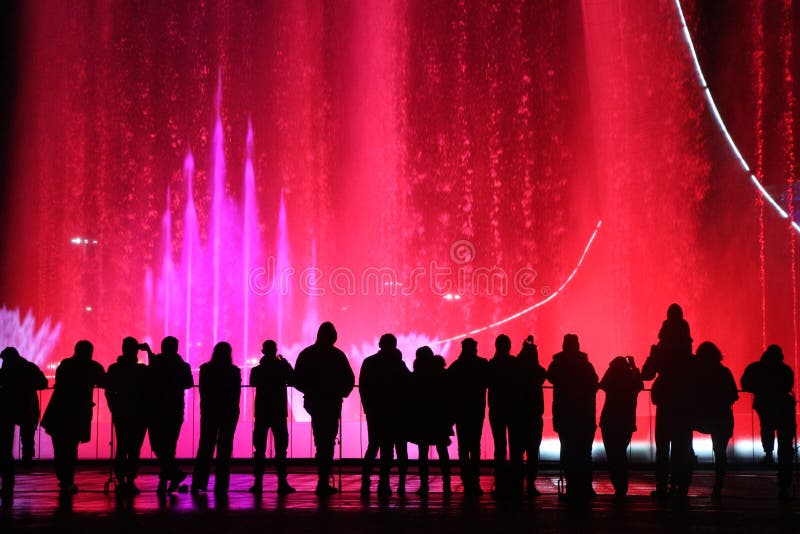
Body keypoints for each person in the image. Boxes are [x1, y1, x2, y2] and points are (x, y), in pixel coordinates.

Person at [293, 322, 355, 496]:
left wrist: (310, 391)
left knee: (321, 439)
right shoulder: (337, 355)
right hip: (332, 402)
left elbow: (297, 379)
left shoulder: (307, 354)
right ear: (333, 337)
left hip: (314, 402)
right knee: (328, 440)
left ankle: (322, 476)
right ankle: (323, 479)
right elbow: (349, 379)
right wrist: (342, 392)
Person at [641, 303, 695, 499]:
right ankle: (681, 486)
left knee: (663, 446)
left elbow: (646, 374)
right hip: (684, 404)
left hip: (665, 403)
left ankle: (663, 485)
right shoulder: (687, 352)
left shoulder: (661, 350)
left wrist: (652, 355)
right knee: (682, 446)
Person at [41, 340, 106, 497]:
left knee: (60, 448)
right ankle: (67, 480)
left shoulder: (65, 364)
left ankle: (64, 479)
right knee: (70, 448)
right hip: (78, 415)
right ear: (90, 352)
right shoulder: (93, 367)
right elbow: (105, 382)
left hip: (58, 413)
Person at [741, 344, 796, 500]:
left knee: (766, 427)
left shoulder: (756, 368)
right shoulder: (785, 369)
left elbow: (745, 383)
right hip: (784, 408)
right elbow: (788, 384)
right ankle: (784, 480)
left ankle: (769, 454)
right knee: (785, 442)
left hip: (765, 405)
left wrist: (760, 389)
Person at [547, 334, 598, 501]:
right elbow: (594, 384)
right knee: (584, 453)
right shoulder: (586, 365)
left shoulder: (558, 365)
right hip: (584, 416)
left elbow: (549, 376)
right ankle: (585, 486)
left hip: (565, 416)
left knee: (568, 450)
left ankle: (571, 486)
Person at [359, 334, 411, 497]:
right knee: (393, 449)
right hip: (396, 412)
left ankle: (366, 482)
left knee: (374, 446)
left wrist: (368, 408)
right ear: (394, 345)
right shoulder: (398, 363)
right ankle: (385, 483)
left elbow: (363, 388)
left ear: (380, 344)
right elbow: (408, 383)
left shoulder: (369, 362)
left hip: (376, 411)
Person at [191, 342, 241, 494]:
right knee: (225, 448)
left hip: (210, 412)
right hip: (228, 413)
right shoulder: (233, 371)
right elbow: (235, 394)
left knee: (205, 446)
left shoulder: (206, 369)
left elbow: (204, 392)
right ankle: (221, 485)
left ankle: (199, 482)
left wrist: (205, 408)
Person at [146, 336, 194, 495]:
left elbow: (150, 378)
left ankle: (167, 479)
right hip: (174, 410)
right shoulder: (182, 365)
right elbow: (188, 384)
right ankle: (174, 475)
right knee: (168, 446)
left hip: (156, 410)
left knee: (160, 446)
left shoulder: (157, 363)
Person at [0, 347, 48, 499]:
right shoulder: (29, 367)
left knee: (5, 445)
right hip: (26, 408)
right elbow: (43, 383)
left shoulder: (6, 369)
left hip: (6, 410)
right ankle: (27, 456)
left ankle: (8, 482)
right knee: (27, 434)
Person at [105, 337, 150, 495]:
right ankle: (130, 480)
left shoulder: (114, 369)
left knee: (122, 446)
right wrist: (149, 352)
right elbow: (154, 372)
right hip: (139, 414)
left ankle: (121, 479)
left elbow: (108, 391)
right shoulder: (141, 370)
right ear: (136, 350)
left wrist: (114, 408)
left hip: (122, 413)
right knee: (134, 448)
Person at [249, 339, 295, 495]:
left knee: (259, 449)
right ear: (275, 351)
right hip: (278, 412)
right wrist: (285, 362)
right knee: (281, 449)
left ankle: (258, 483)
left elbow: (252, 382)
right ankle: (282, 483)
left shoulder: (257, 370)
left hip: (262, 412)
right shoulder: (281, 367)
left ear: (263, 352)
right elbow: (293, 378)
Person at [692, 342, 738, 499]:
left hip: (702, 415)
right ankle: (718, 484)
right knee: (719, 452)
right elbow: (734, 395)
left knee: (684, 431)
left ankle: (685, 468)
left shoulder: (697, 373)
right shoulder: (724, 372)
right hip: (722, 416)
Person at [447, 337, 489, 495]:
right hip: (477, 411)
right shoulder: (482, 364)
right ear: (475, 349)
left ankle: (466, 481)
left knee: (463, 447)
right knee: (475, 447)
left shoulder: (457, 366)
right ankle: (475, 481)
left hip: (461, 412)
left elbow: (447, 382)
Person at [408, 347, 453, 496]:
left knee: (423, 452)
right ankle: (447, 485)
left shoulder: (417, 375)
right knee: (442, 450)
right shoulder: (442, 373)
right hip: (439, 417)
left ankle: (424, 485)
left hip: (422, 418)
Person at [598, 355, 643, 496]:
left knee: (612, 455)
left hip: (609, 422)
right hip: (626, 422)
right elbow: (640, 384)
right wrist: (633, 366)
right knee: (620, 454)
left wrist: (611, 368)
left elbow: (601, 383)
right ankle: (622, 485)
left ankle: (618, 485)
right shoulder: (631, 383)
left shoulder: (611, 382)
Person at [487, 334, 523, 500]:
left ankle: (500, 484)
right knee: (515, 448)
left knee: (500, 447)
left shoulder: (492, 364)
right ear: (509, 346)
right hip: (514, 409)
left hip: (497, 409)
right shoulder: (515, 363)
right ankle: (517, 485)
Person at [516, 335, 547, 497]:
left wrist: (526, 347)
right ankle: (530, 484)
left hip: (518, 415)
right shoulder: (537, 371)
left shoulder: (517, 369)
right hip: (534, 416)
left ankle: (517, 484)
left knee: (518, 451)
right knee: (533, 452)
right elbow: (544, 373)